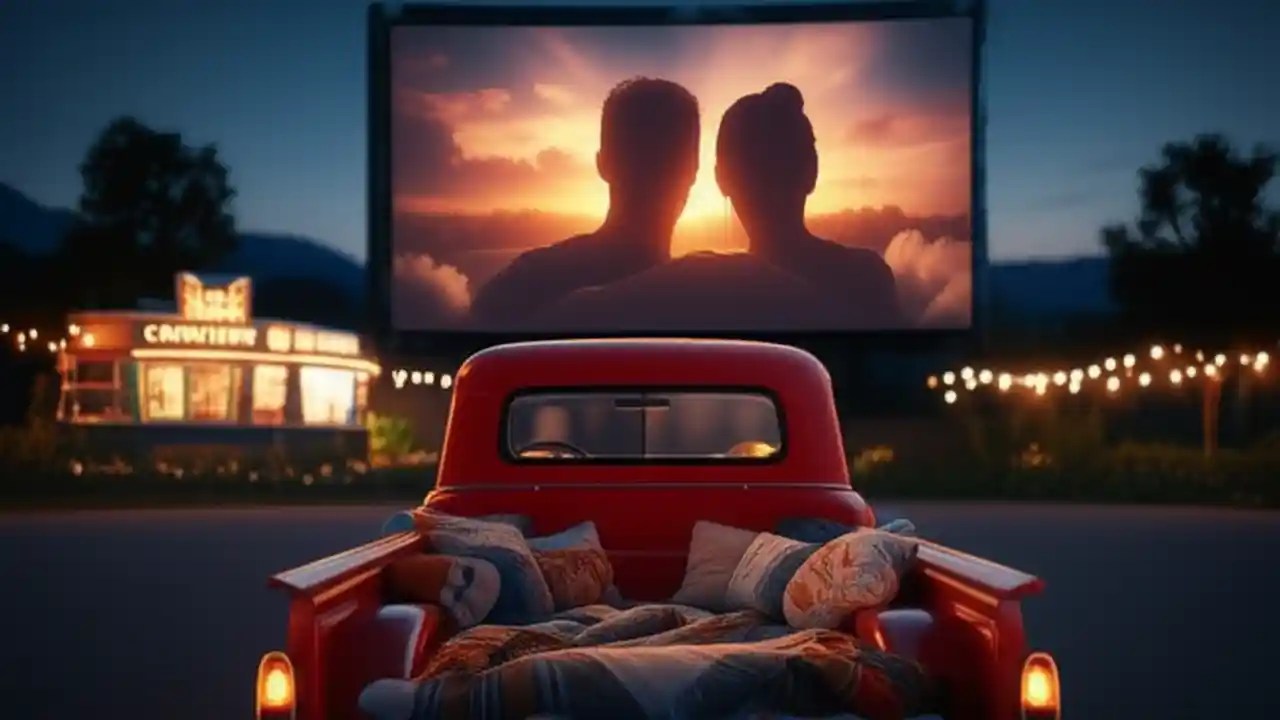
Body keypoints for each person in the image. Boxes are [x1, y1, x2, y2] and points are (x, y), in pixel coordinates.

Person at [469, 77, 701, 327]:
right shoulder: (702, 304)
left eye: (664, 158)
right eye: (647, 158)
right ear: (693, 170)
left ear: (603, 164)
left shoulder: (521, 284)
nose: (655, 171)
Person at [715, 83, 902, 328]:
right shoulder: (868, 278)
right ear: (812, 172)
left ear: (722, 181)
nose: (769, 183)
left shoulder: (708, 297)